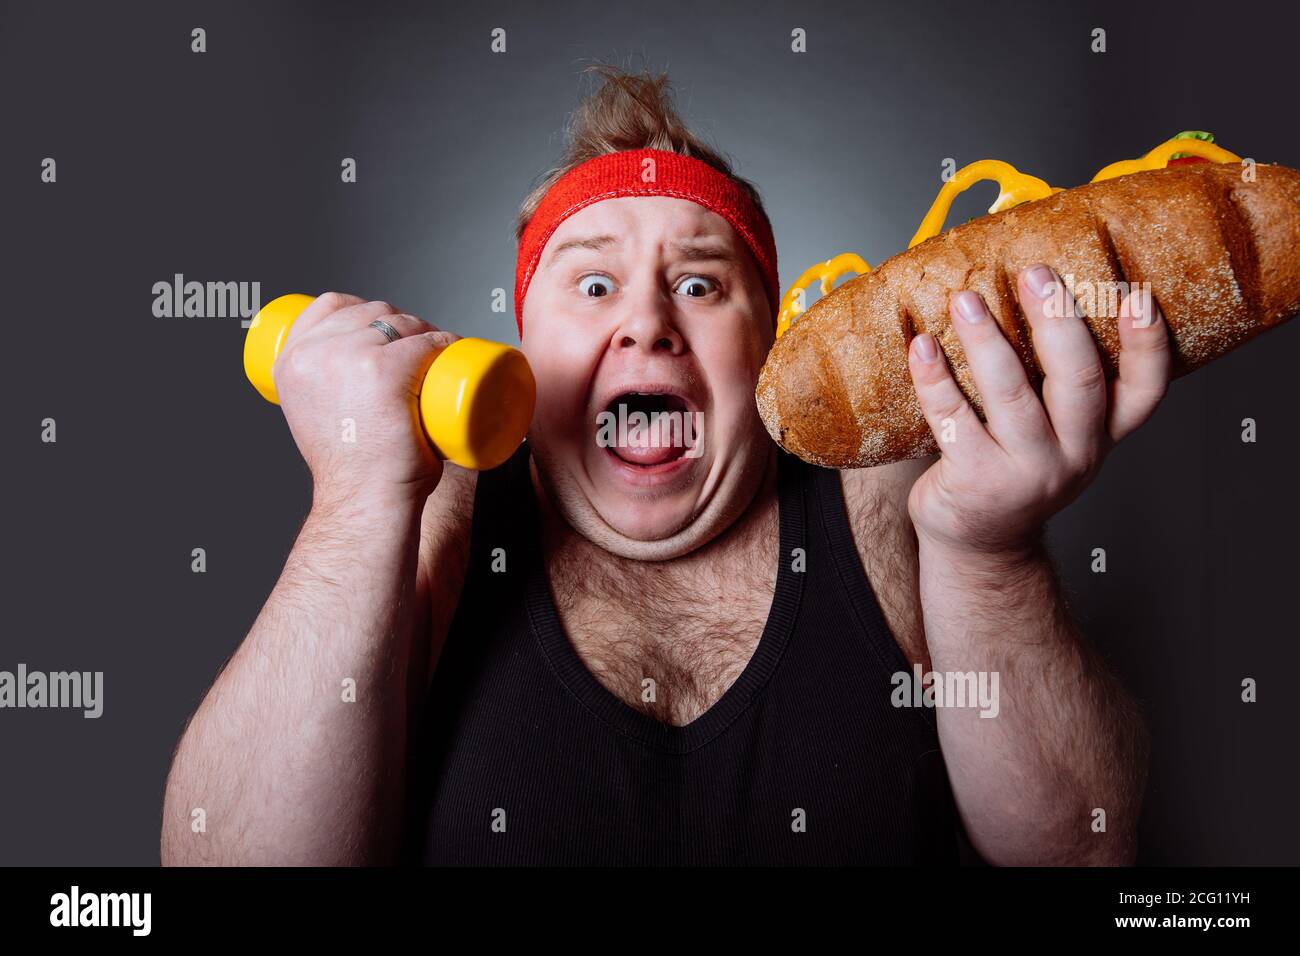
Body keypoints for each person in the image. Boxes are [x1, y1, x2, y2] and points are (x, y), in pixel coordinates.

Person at [161, 66, 1161, 866]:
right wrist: (353, 499)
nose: (645, 321)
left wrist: (993, 552)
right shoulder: (437, 509)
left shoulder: (884, 497)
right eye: (592, 281)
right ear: (521, 341)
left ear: (768, 341)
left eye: (698, 281)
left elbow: (1083, 851)